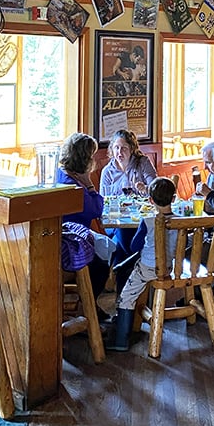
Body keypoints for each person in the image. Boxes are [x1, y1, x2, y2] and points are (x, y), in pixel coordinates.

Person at [105, 177, 177, 352]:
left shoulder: (147, 221)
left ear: (150, 200)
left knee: (126, 297)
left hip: (146, 268)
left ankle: (121, 340)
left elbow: (134, 246)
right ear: (173, 198)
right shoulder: (180, 221)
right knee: (128, 267)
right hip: (168, 268)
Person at [58, 132, 112, 317]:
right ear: (84, 159)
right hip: (69, 246)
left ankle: (89, 308)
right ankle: (87, 310)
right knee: (101, 267)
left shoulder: (60, 174)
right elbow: (97, 209)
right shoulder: (76, 189)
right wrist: (89, 183)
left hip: (62, 240)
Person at [99, 129, 157, 264]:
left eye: (124, 148)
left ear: (132, 148)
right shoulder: (107, 172)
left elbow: (156, 189)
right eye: (116, 148)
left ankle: (124, 269)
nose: (120, 152)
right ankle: (136, 260)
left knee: (119, 248)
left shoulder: (142, 163)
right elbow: (103, 201)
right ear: (112, 149)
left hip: (141, 219)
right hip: (114, 221)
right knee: (123, 232)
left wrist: (145, 188)